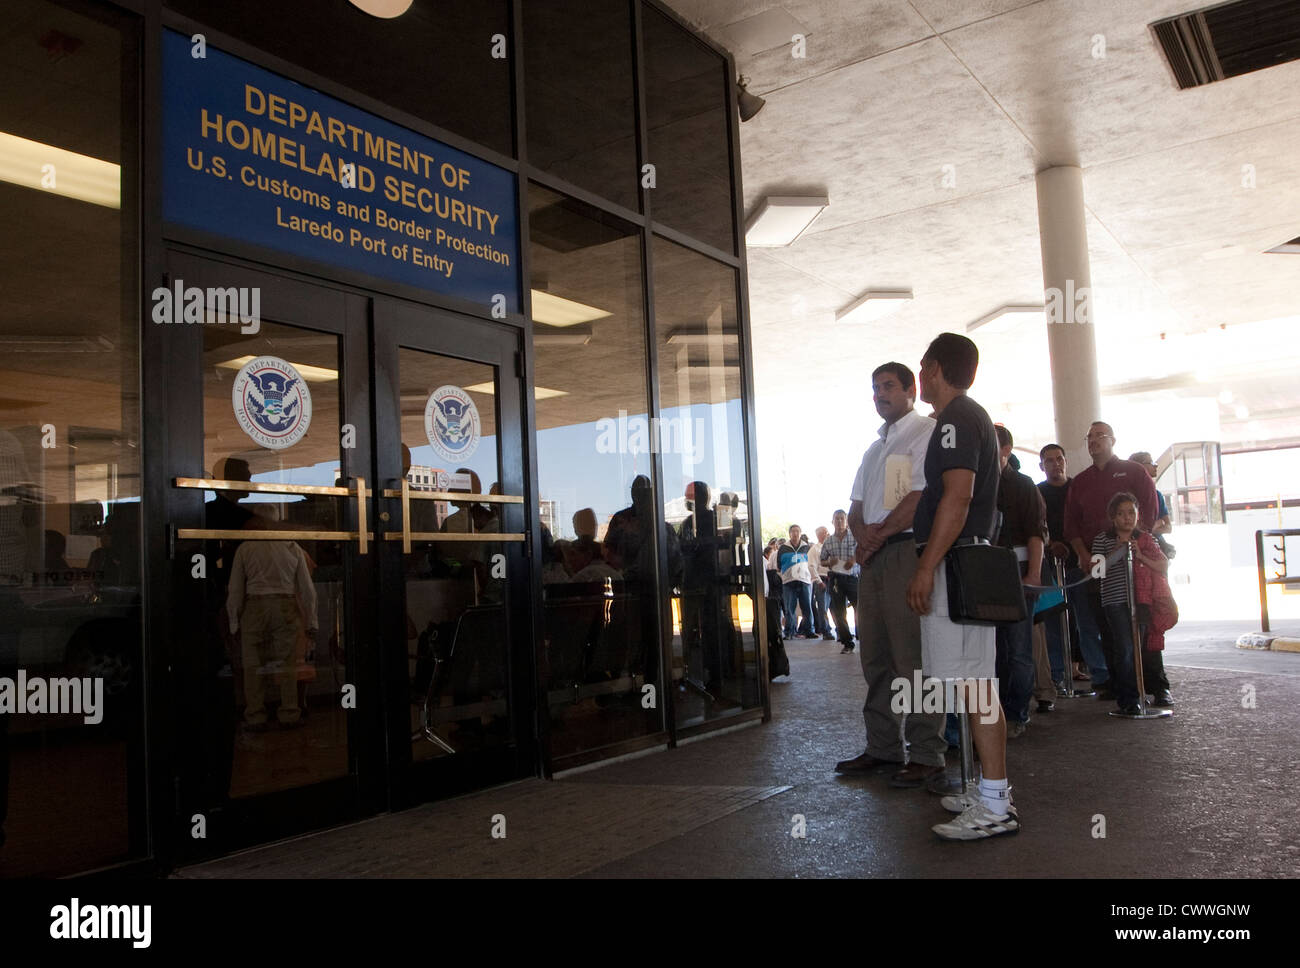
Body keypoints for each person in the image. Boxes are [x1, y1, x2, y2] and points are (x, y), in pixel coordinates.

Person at [904, 333, 1016, 839]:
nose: (920, 375)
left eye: (923, 367)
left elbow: (957, 496)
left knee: (977, 685)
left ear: (934, 368)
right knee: (973, 685)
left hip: (959, 565)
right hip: (962, 562)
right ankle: (986, 791)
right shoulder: (967, 418)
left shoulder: (955, 419)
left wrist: (927, 565)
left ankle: (995, 805)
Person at [835, 362, 944, 789]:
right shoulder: (873, 449)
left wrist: (876, 537)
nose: (881, 394)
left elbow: (920, 497)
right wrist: (864, 538)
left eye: (889, 386)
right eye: (876, 388)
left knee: (913, 658)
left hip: (905, 553)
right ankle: (882, 747)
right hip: (874, 558)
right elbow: (857, 505)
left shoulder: (925, 433)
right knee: (875, 657)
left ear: (911, 389)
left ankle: (927, 754)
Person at [1064, 423, 1158, 701]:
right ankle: (1118, 685)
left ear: (1112, 440)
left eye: (1099, 436)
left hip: (1135, 562)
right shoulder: (1080, 481)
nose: (1093, 441)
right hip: (1097, 564)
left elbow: (1149, 514)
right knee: (1105, 623)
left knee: (1142, 626)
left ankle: (1153, 685)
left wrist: (1136, 546)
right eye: (1089, 437)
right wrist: (1084, 556)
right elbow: (1072, 526)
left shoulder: (1134, 472)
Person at [227, 511, 319, 728]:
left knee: (252, 664)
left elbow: (235, 589)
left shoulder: (246, 548)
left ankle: (255, 715)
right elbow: (307, 589)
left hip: (254, 605)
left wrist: (233, 622)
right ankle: (289, 713)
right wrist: (312, 621)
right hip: (285, 603)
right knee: (287, 664)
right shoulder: (291, 546)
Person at [1037, 443, 1110, 689]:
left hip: (1080, 564)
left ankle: (1099, 674)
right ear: (1042, 466)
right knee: (1054, 624)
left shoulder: (1077, 488)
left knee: (1087, 620)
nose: (1055, 464)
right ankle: (1057, 675)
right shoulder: (1037, 492)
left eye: (1059, 459)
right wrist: (1050, 546)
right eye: (1049, 460)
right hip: (1050, 568)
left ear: (1066, 461)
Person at [1090, 492, 1170, 714]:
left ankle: (1143, 691)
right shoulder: (1101, 539)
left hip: (1141, 601)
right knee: (1124, 649)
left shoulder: (1145, 539)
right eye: (1121, 514)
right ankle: (1128, 699)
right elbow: (1095, 571)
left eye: (1131, 513)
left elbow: (1163, 565)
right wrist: (1117, 551)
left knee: (1140, 648)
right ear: (1113, 517)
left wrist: (1140, 555)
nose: (1127, 518)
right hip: (1115, 601)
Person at [992, 425, 1046, 737]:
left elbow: (1036, 533)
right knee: (996, 650)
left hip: (1021, 570)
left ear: (1006, 450)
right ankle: (996, 713)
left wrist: (1034, 574)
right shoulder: (980, 483)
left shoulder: (1024, 485)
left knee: (1019, 648)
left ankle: (1016, 714)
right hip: (989, 573)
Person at [819, 510, 858, 653]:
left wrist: (854, 560)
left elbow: (864, 551)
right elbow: (822, 561)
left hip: (853, 578)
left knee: (860, 609)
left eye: (842, 519)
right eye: (837, 519)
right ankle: (847, 642)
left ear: (846, 520)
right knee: (839, 612)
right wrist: (830, 561)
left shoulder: (854, 537)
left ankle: (864, 637)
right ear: (832, 521)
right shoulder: (828, 541)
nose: (840, 522)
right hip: (836, 579)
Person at [777, 525, 814, 639]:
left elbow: (812, 563)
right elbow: (779, 566)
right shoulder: (783, 548)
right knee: (789, 608)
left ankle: (809, 631)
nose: (795, 533)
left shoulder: (807, 548)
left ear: (800, 533)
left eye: (797, 531)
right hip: (788, 582)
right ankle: (789, 632)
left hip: (805, 581)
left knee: (807, 608)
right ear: (789, 534)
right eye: (793, 531)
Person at [807, 526, 832, 640]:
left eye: (827, 532)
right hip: (821, 579)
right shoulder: (814, 549)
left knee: (835, 607)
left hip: (833, 578)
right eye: (824, 532)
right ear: (819, 535)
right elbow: (811, 567)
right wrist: (819, 581)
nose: (827, 534)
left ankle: (839, 630)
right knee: (823, 607)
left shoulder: (831, 547)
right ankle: (825, 631)